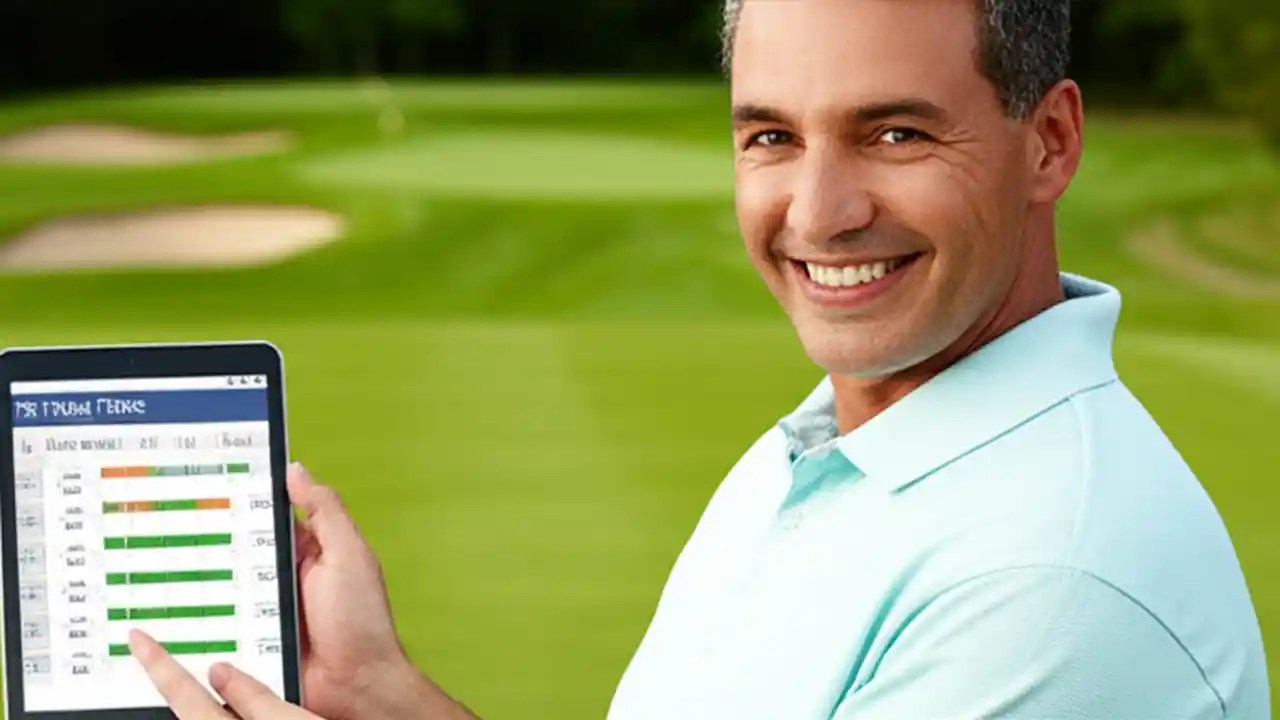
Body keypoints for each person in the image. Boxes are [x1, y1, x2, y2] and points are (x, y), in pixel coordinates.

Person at [130, 0, 1271, 717]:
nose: (817, 213)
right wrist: (384, 698)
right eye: (771, 136)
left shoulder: (1046, 587)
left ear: (1049, 143)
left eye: (894, 133)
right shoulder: (829, 445)